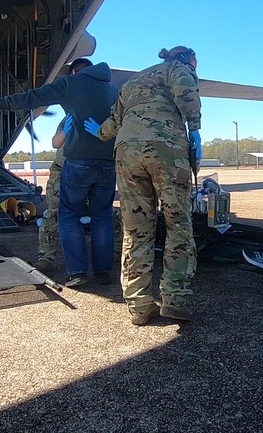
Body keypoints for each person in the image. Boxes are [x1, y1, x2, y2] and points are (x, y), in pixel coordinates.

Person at [84, 46, 202, 325]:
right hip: (166, 150)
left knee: (136, 229)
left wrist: (99, 133)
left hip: (127, 155)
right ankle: (174, 299)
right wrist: (194, 127)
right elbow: (187, 92)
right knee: (178, 225)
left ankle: (138, 305)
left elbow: (114, 122)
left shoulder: (133, 81)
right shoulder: (178, 67)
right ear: (186, 58)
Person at [0, 58, 118, 288]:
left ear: (74, 71)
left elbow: (34, 97)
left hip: (78, 160)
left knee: (69, 214)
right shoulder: (112, 88)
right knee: (102, 216)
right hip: (108, 162)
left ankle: (78, 272)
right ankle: (103, 273)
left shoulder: (71, 83)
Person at [34, 113, 71, 273]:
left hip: (91, 169)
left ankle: (116, 253)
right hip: (63, 169)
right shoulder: (68, 117)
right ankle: (46, 258)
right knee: (52, 213)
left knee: (104, 215)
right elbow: (56, 142)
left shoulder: (102, 113)